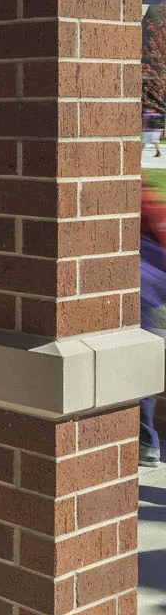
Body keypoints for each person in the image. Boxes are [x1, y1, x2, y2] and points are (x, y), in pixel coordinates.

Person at [141, 186, 166, 469]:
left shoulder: (136, 193)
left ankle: (147, 444)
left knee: (137, 358)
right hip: (154, 278)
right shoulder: (147, 193)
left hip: (143, 277)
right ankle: (147, 444)